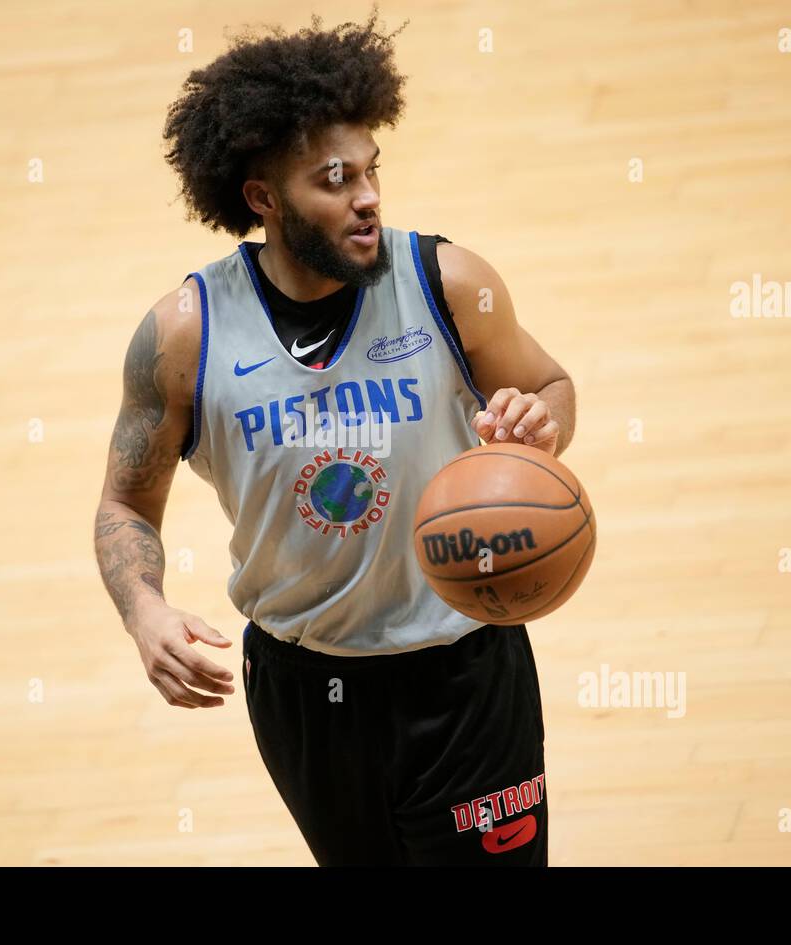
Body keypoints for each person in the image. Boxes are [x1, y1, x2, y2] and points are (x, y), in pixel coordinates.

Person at [94, 10, 575, 866]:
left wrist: (540, 426)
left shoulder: (448, 283)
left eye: (371, 169)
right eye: (334, 178)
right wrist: (146, 612)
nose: (368, 196)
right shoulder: (185, 337)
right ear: (263, 199)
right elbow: (126, 502)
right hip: (305, 687)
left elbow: (547, 385)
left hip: (466, 669)